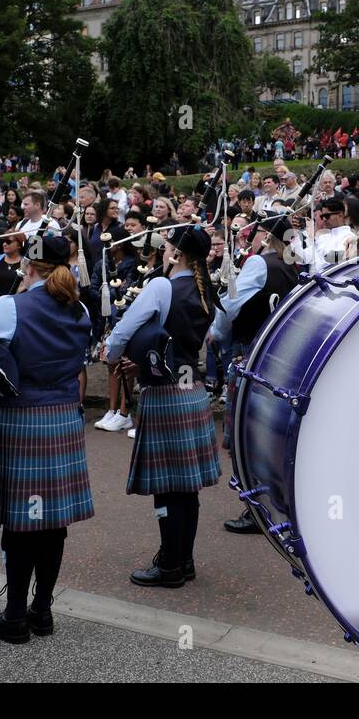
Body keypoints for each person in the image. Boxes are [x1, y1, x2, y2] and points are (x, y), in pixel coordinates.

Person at [0, 234, 94, 643]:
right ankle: (43, 610)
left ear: (28, 268)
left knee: (21, 522)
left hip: (18, 419)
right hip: (64, 418)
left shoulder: (8, 306)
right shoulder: (80, 308)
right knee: (52, 521)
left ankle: (15, 616)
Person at [104, 224, 221, 588]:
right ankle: (183, 560)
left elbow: (125, 328)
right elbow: (217, 337)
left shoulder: (161, 286)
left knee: (166, 486)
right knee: (186, 487)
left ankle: (169, 564)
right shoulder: (208, 293)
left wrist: (111, 354)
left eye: (169, 247)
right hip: (193, 388)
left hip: (165, 392)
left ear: (177, 254)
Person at [208, 214, 301, 534]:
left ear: (267, 235)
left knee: (246, 437)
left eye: (258, 231)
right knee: (275, 435)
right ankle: (282, 505)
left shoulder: (260, 264)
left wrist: (217, 332)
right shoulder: (297, 265)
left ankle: (258, 510)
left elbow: (231, 305)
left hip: (252, 355)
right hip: (285, 359)